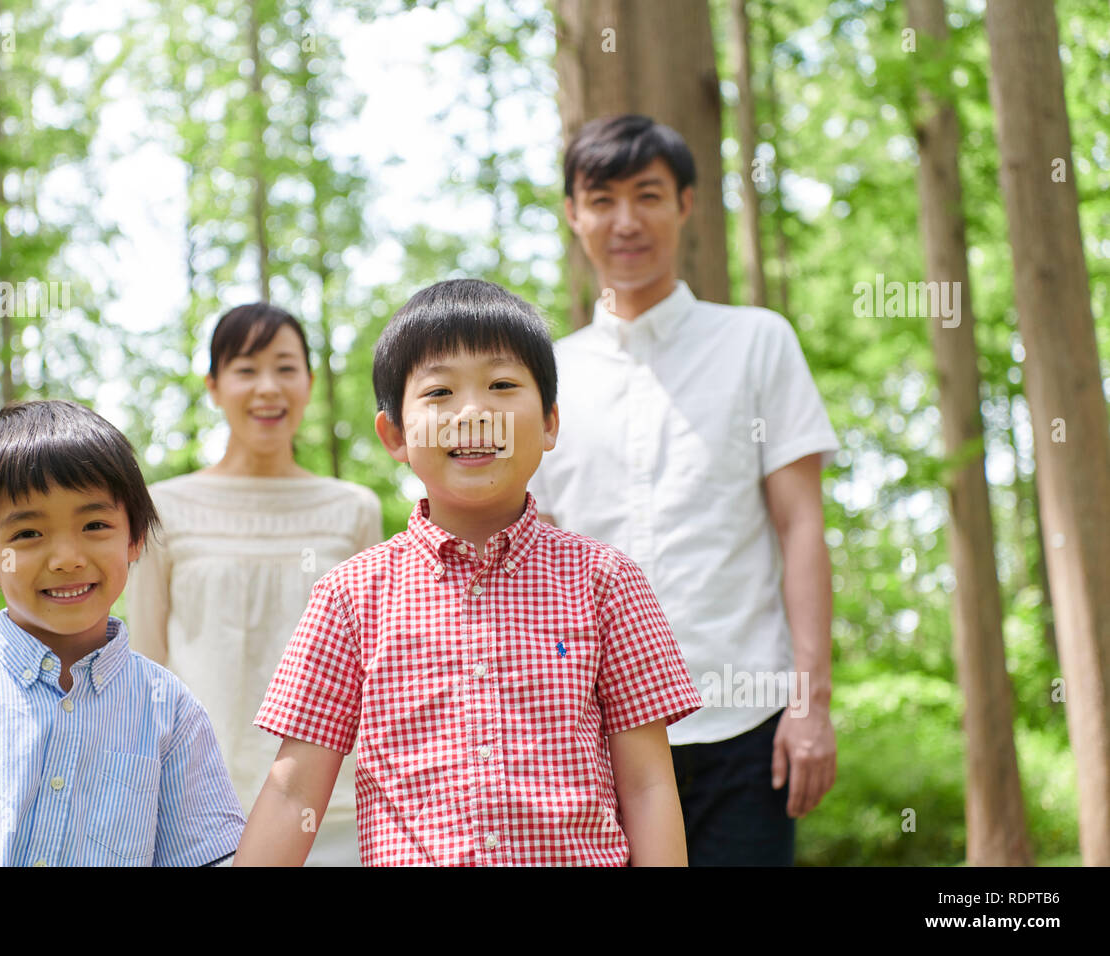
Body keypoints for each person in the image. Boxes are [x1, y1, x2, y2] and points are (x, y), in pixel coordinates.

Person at [234, 278, 703, 867]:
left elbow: (648, 786)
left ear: (551, 422)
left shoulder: (608, 582)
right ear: (395, 435)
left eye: (502, 385)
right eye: (439, 392)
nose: (474, 412)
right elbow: (293, 790)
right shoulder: (350, 597)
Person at [529, 114, 840, 865]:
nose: (625, 221)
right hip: (592, 734)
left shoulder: (757, 341)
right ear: (574, 214)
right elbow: (528, 553)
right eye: (601, 200)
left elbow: (801, 525)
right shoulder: (544, 376)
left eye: (648, 196)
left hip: (745, 726)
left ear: (687, 205)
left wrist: (811, 702)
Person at [0, 400, 245, 866]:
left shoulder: (171, 712)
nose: (67, 558)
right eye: (29, 534)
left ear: (134, 538)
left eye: (95, 525)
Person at [126, 302, 381, 867]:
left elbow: (374, 669)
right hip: (202, 810)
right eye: (245, 369)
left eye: (286, 368)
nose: (268, 388)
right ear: (214, 387)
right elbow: (145, 664)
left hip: (332, 811)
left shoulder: (352, 510)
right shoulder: (163, 509)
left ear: (310, 383)